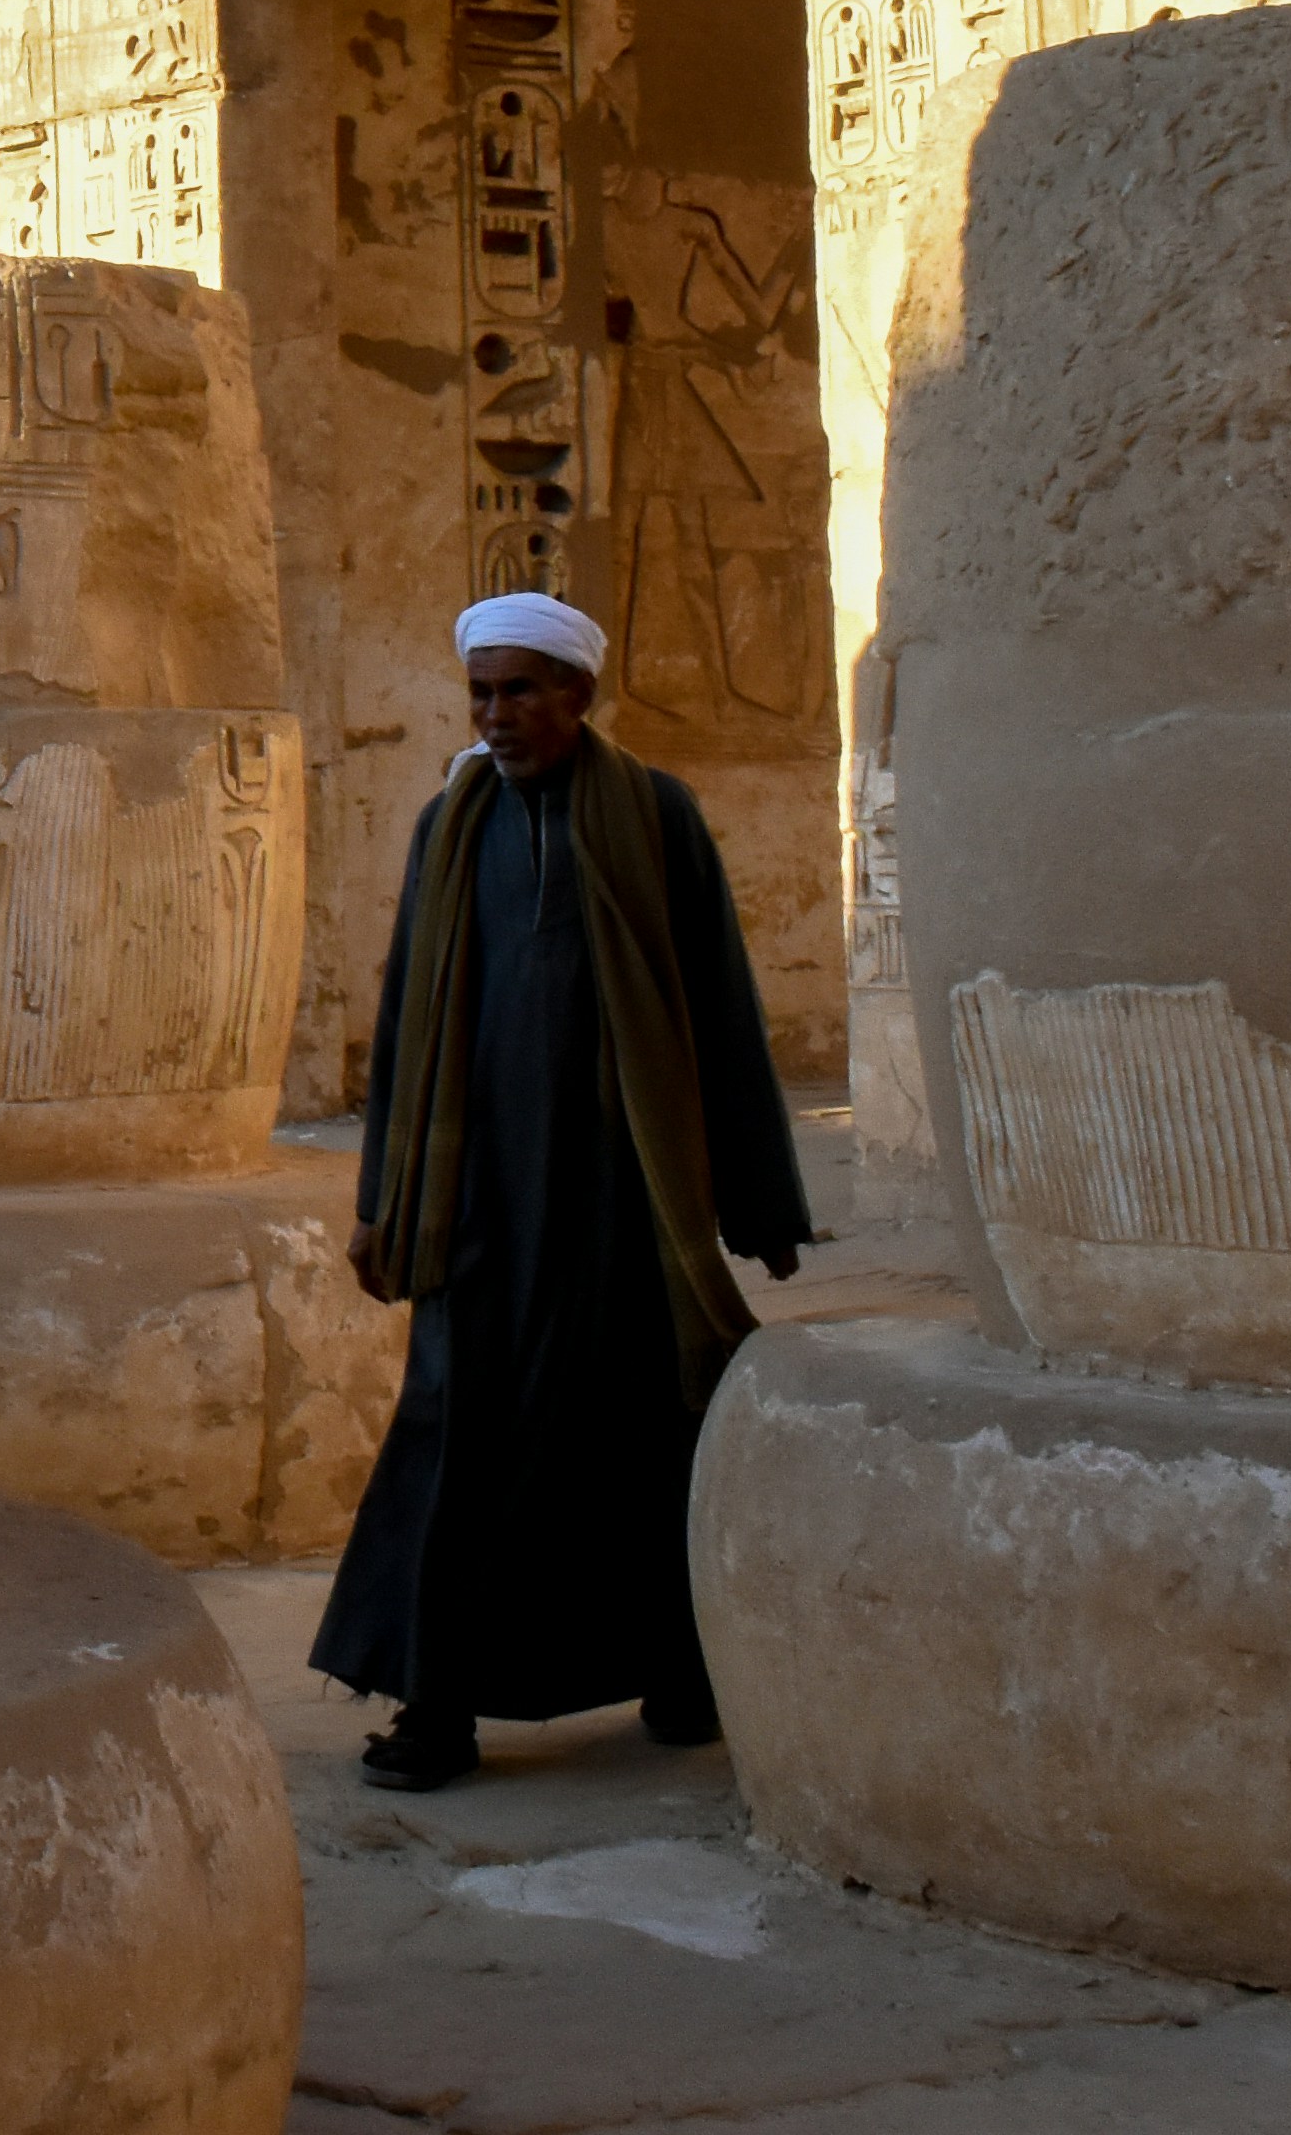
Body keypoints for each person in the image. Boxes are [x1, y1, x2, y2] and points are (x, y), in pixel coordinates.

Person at [310, 590, 810, 1790]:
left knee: (641, 1433)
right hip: (478, 1195)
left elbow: (715, 1004)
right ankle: (437, 1705)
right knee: (458, 1434)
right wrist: (382, 1198)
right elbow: (406, 1019)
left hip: (618, 1194)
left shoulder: (657, 815)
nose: (497, 715)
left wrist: (759, 1198)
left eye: (522, 690)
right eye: (482, 693)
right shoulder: (450, 826)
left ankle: (677, 1668)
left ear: (579, 695)